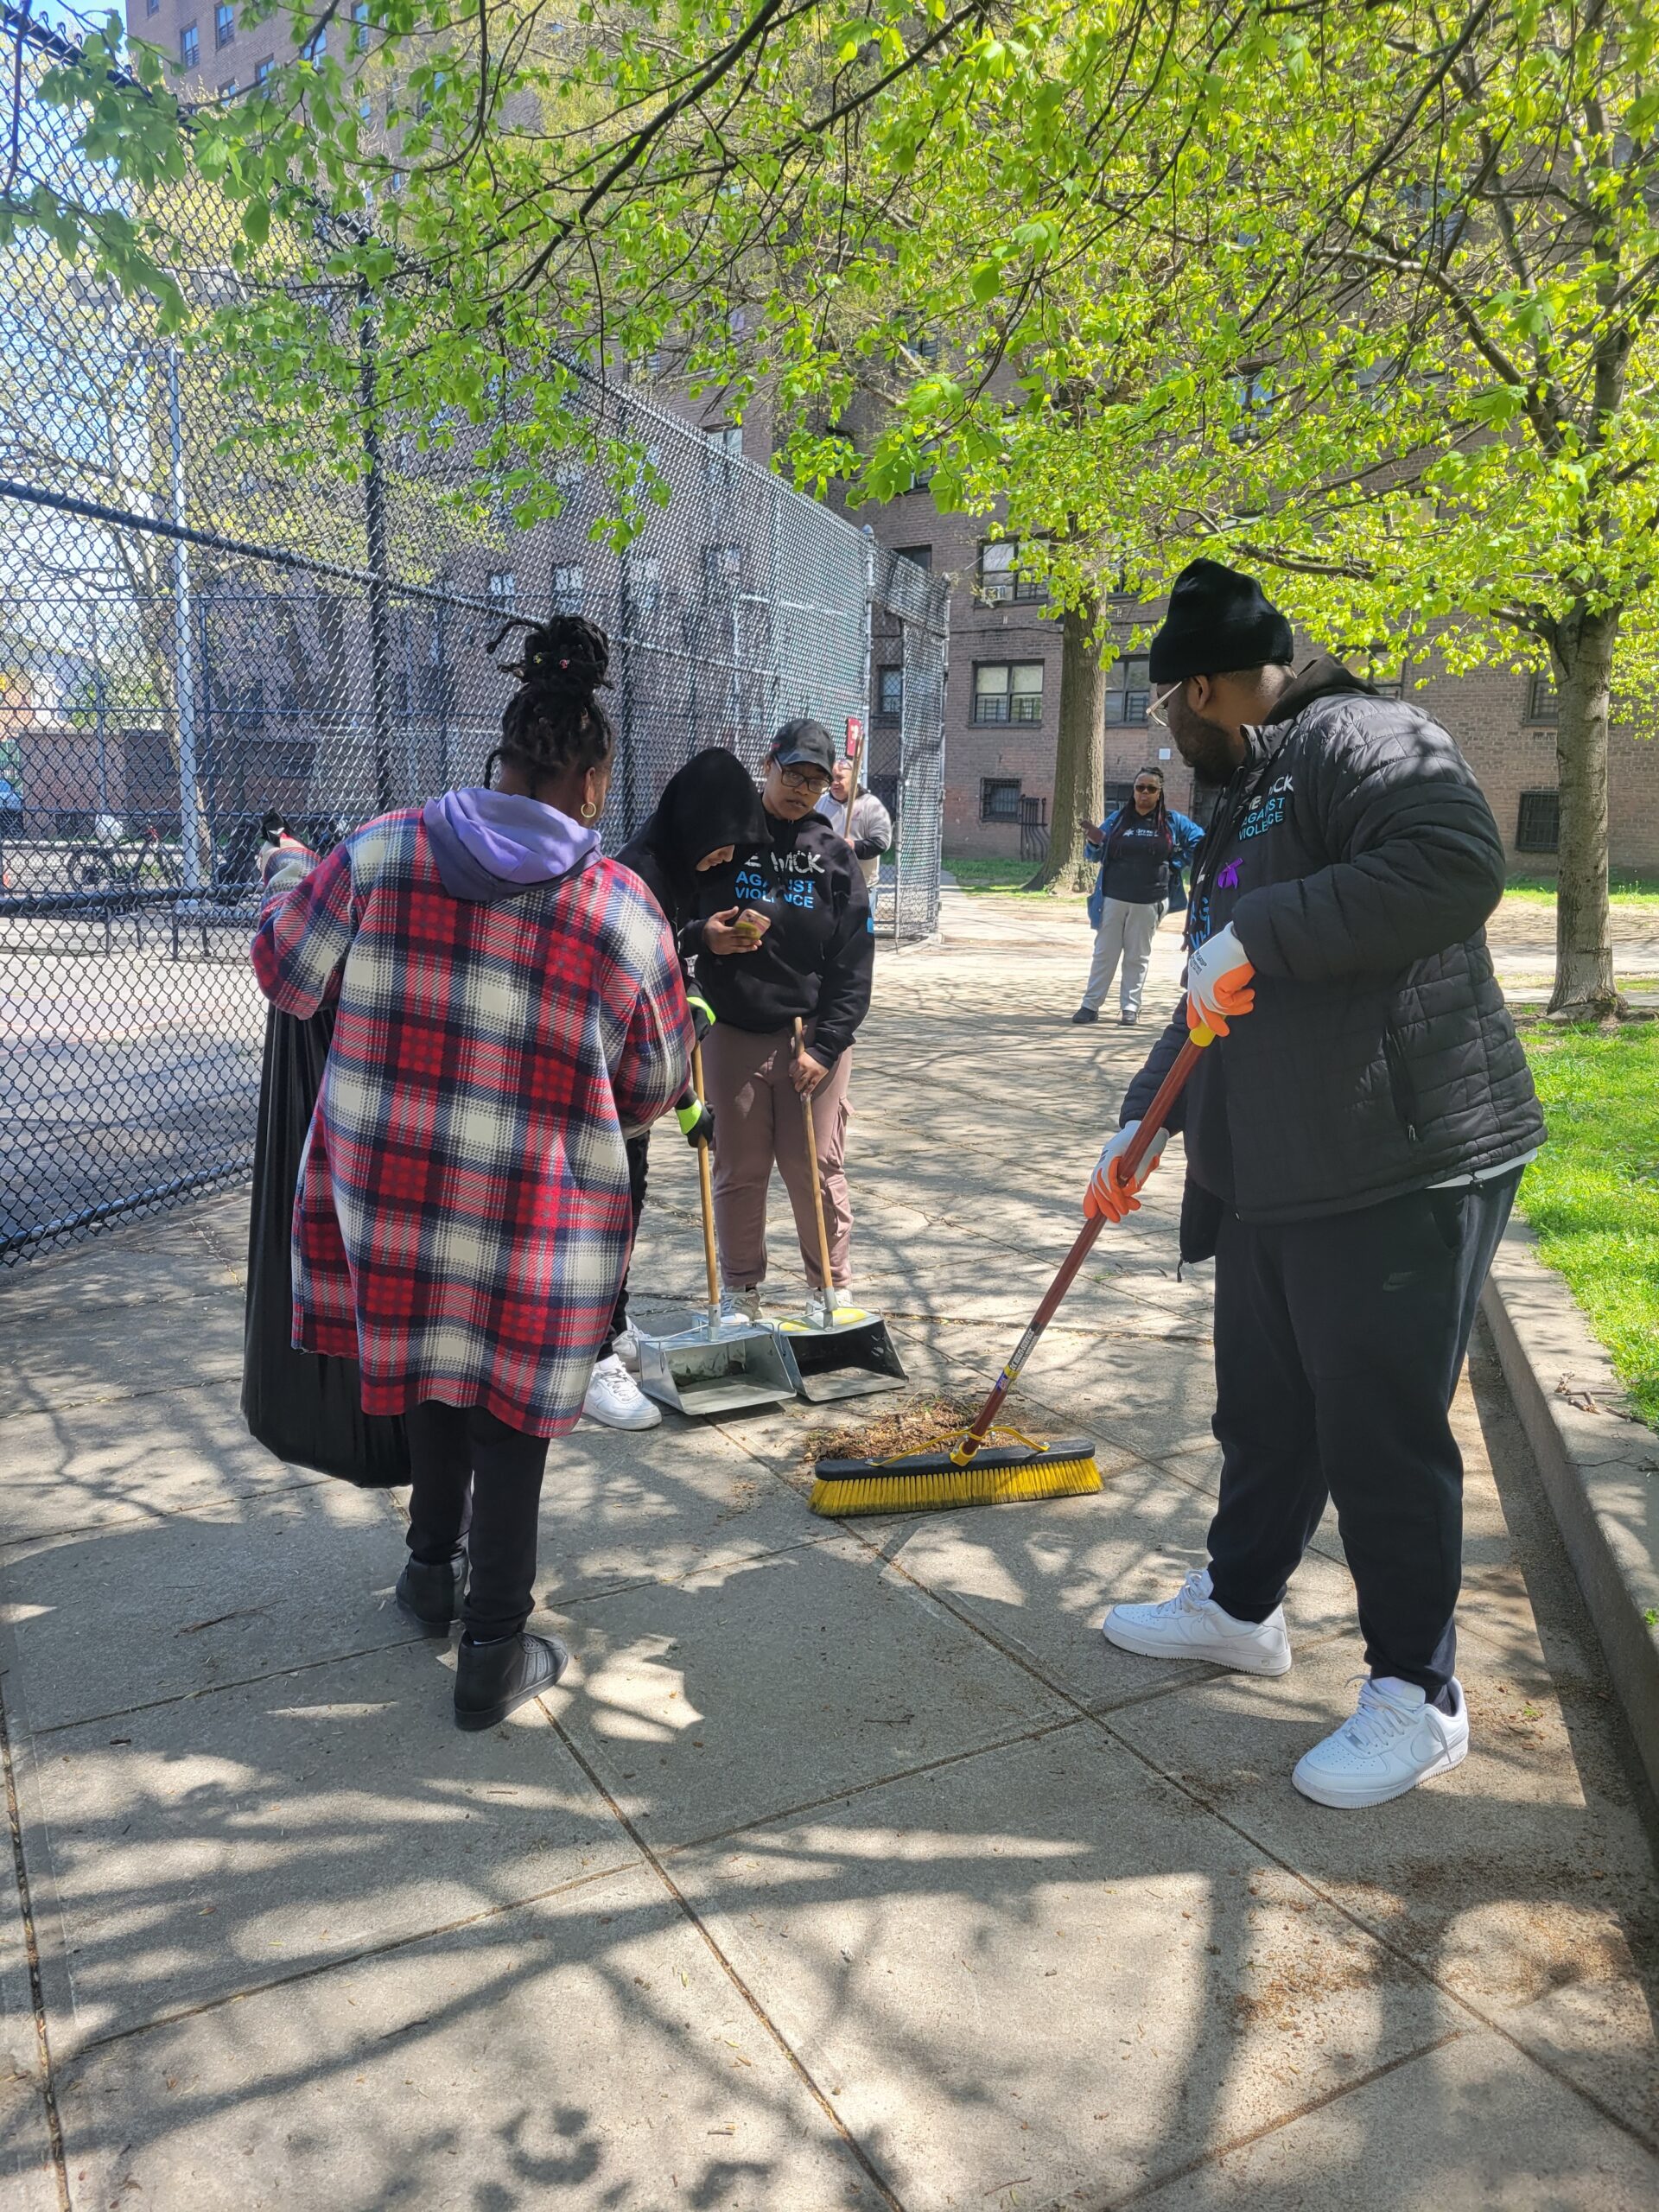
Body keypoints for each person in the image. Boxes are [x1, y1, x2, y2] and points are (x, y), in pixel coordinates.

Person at [1089, 559, 1545, 1810]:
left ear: (1201, 689)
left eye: (1165, 709)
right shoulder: (1247, 787)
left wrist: (1264, 933)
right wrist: (1143, 1124)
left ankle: (1418, 1696)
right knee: (1269, 1413)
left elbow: (1454, 867)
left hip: (1399, 1156)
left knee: (1379, 1433)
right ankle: (1242, 1608)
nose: (1164, 737)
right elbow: (1213, 983)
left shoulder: (1364, 735)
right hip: (1280, 1164)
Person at [251, 615, 691, 1732]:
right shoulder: (623, 912)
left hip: (390, 1205)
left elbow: (284, 970)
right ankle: (492, 1646)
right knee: (511, 1415)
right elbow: (655, 1085)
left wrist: (290, 876)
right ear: (592, 782)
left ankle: (427, 1576)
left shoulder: (382, 852)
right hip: (538, 1219)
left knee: (438, 1373)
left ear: (500, 760)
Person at [587, 747, 770, 1428]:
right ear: (693, 823)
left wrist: (700, 947)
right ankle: (593, 1356)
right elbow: (641, 988)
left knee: (629, 1203)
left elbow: (669, 957)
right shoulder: (639, 873)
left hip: (643, 1075)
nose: (723, 861)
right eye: (719, 847)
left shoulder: (678, 875)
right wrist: (687, 1094)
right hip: (610, 1080)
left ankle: (616, 1321)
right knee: (610, 1209)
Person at [688, 718, 874, 1316]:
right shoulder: (721, 839)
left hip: (811, 1036)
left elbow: (854, 961)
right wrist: (703, 938)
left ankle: (830, 1290)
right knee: (740, 1167)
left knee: (812, 1164)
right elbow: (672, 919)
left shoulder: (835, 858)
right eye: (793, 773)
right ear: (767, 764)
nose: (801, 788)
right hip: (734, 1028)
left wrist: (828, 1047)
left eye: (816, 780)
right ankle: (740, 1293)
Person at [1071, 765, 1204, 1027]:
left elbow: (1200, 840)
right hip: (1113, 897)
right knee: (1105, 953)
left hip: (1150, 899)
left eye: (1151, 789)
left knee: (1137, 954)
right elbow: (1094, 854)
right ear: (1133, 791)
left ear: (1159, 793)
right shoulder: (1118, 819)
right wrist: (1094, 843)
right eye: (1139, 787)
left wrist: (1176, 863)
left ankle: (1130, 1007)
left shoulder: (1172, 821)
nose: (1144, 793)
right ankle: (1090, 1005)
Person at [817, 753, 893, 893]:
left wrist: (854, 846)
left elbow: (882, 842)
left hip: (860, 886)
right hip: (827, 883)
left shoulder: (871, 805)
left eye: (840, 778)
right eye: (832, 778)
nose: (834, 782)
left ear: (854, 779)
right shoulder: (820, 803)